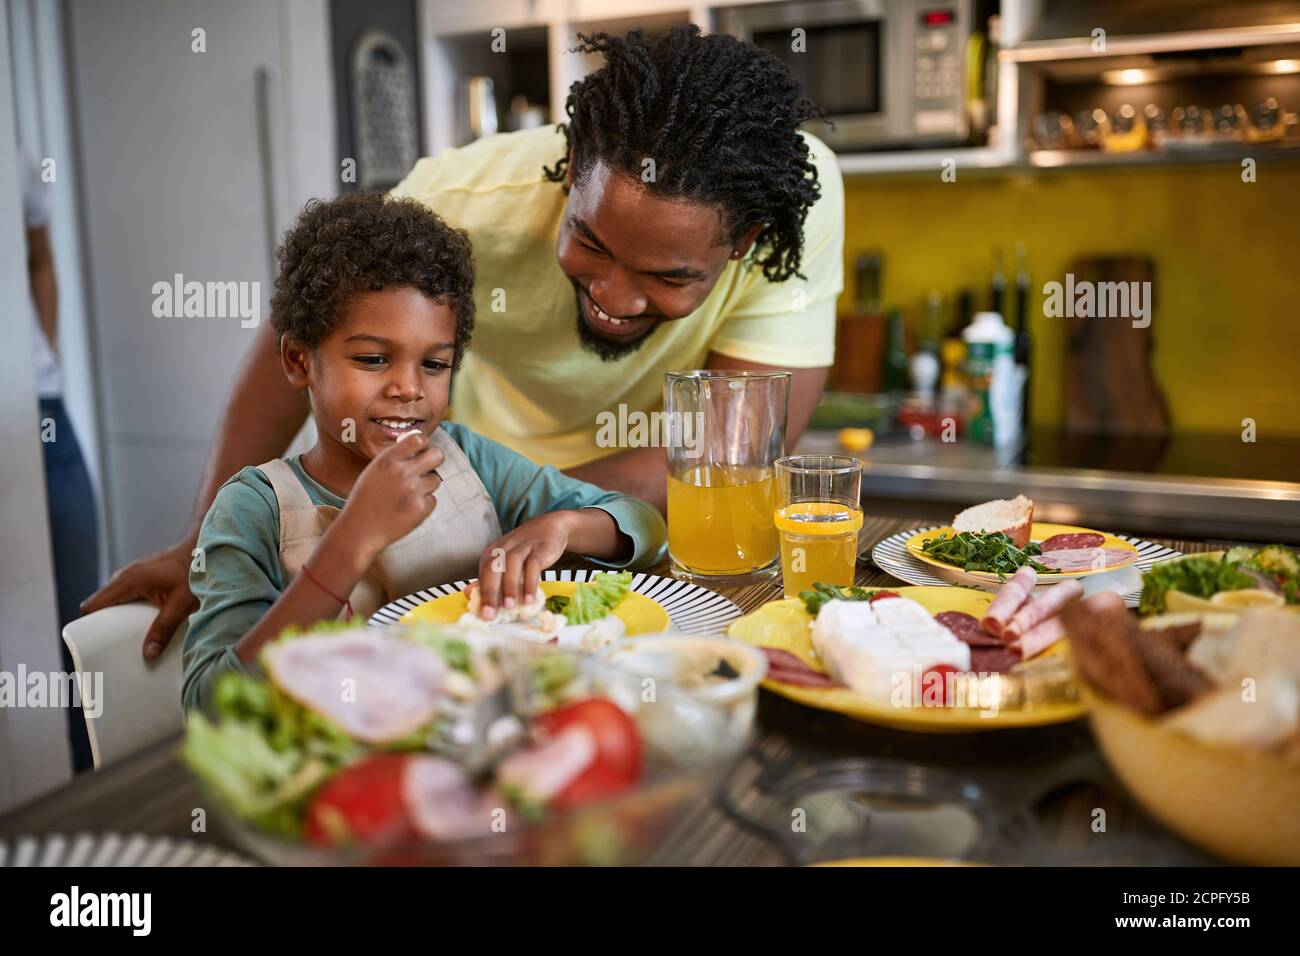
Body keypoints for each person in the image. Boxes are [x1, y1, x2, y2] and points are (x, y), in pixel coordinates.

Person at [83, 25, 844, 659]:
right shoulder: (463, 204)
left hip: (516, 518)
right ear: (573, 171)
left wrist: (506, 504)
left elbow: (725, 453)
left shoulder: (780, 207)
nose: (613, 297)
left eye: (667, 276)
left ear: (741, 242)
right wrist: (202, 542)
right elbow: (300, 329)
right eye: (591, 243)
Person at [181, 192, 665, 712]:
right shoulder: (255, 509)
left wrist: (566, 526)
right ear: (299, 360)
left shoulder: (469, 461)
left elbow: (644, 526)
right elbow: (211, 705)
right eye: (372, 359)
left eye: (435, 365)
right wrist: (351, 543)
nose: (409, 389)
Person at [24, 152, 97, 772]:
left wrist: (45, 347)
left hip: (38, 405)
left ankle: (85, 781)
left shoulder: (14, 157)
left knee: (76, 607)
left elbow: (39, 258)